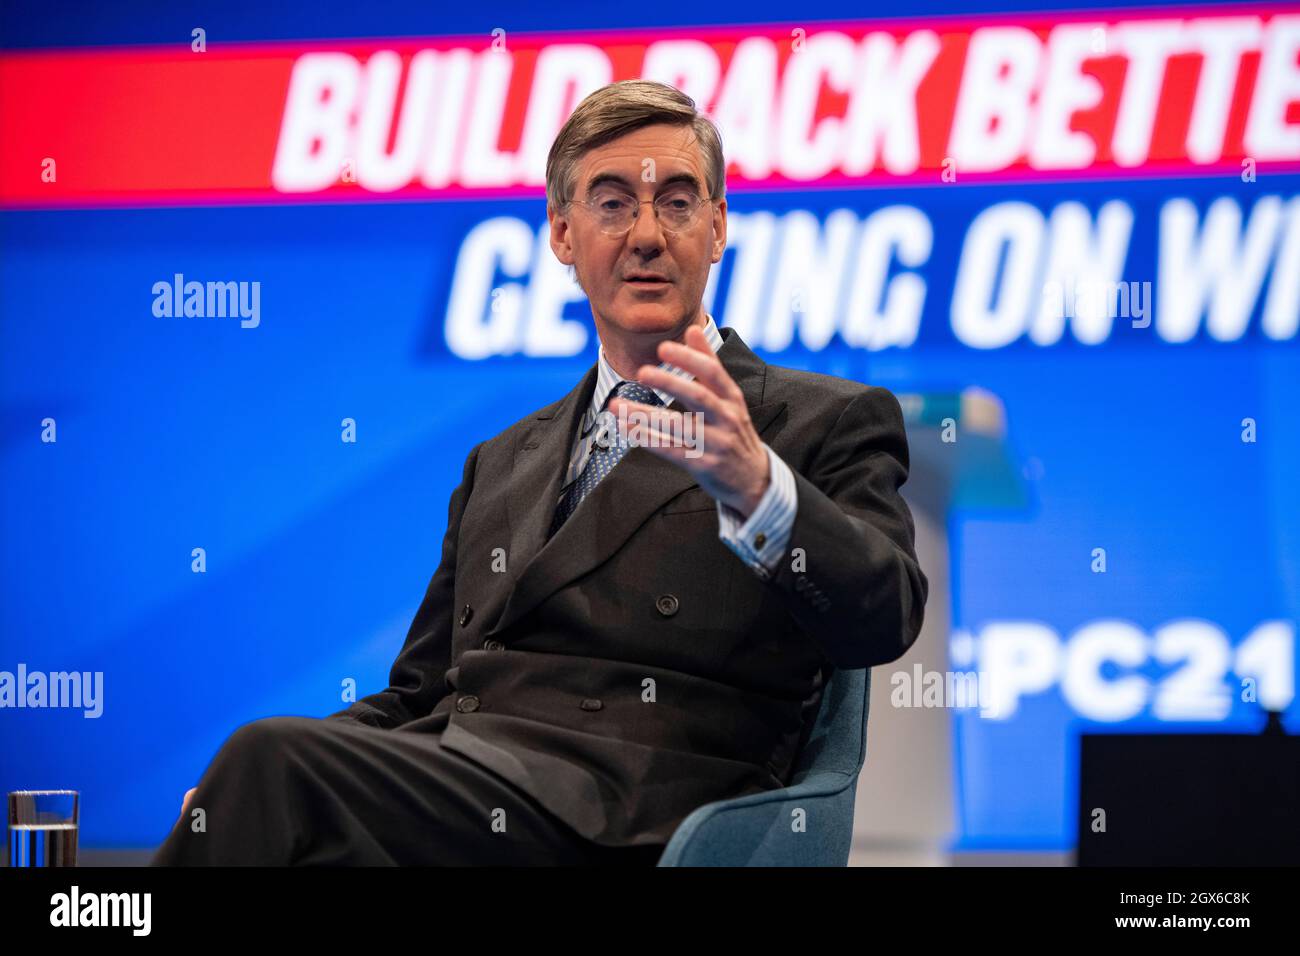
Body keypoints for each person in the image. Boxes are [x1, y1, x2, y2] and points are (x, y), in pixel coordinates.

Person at [152, 79, 928, 866]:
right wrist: (244, 790)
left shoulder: (817, 420)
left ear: (719, 227)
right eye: (614, 203)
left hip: (634, 817)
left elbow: (882, 617)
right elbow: (423, 694)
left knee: (271, 766)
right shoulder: (502, 461)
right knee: (265, 785)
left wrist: (760, 491)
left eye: (680, 203)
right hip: (467, 788)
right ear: (562, 233)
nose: (649, 235)